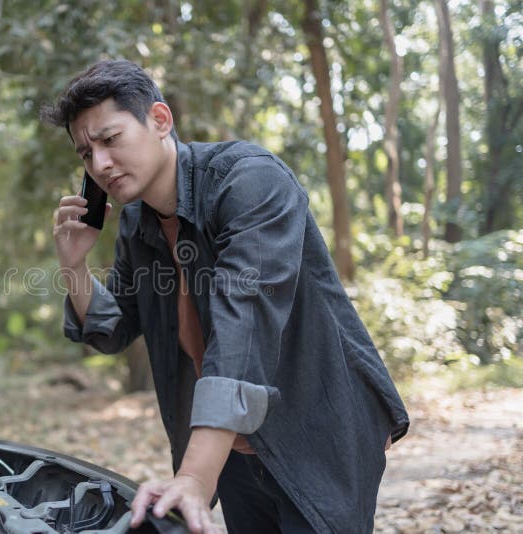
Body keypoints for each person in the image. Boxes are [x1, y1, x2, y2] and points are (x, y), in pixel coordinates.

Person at [43, 59, 409, 534]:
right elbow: (112, 328)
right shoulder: (137, 223)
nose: (100, 164)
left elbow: (245, 325)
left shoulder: (250, 181)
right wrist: (73, 266)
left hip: (316, 431)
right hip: (231, 447)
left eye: (110, 139)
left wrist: (194, 474)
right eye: (86, 154)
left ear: (159, 120)